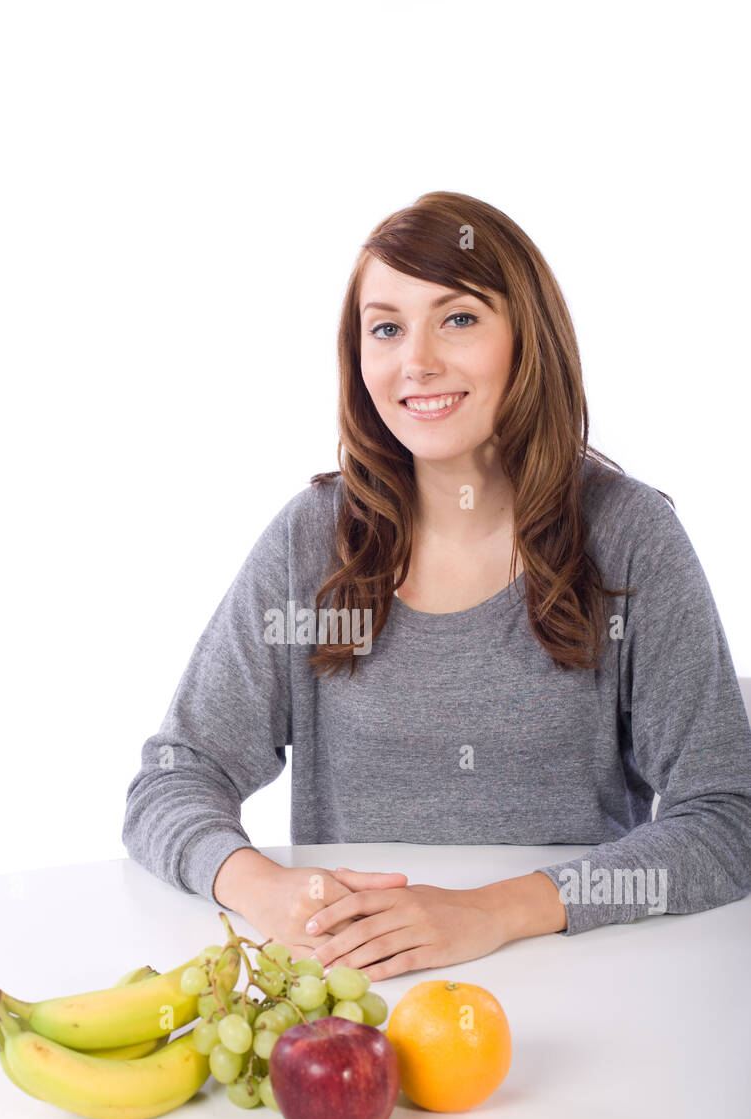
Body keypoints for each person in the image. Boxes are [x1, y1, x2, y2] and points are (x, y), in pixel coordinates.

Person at [121, 190, 751, 980]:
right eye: (385, 328)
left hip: (578, 976)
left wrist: (490, 911)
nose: (416, 361)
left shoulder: (630, 537)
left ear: (529, 338)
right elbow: (174, 779)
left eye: (458, 318)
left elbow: (728, 816)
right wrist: (265, 890)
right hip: (362, 991)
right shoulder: (309, 540)